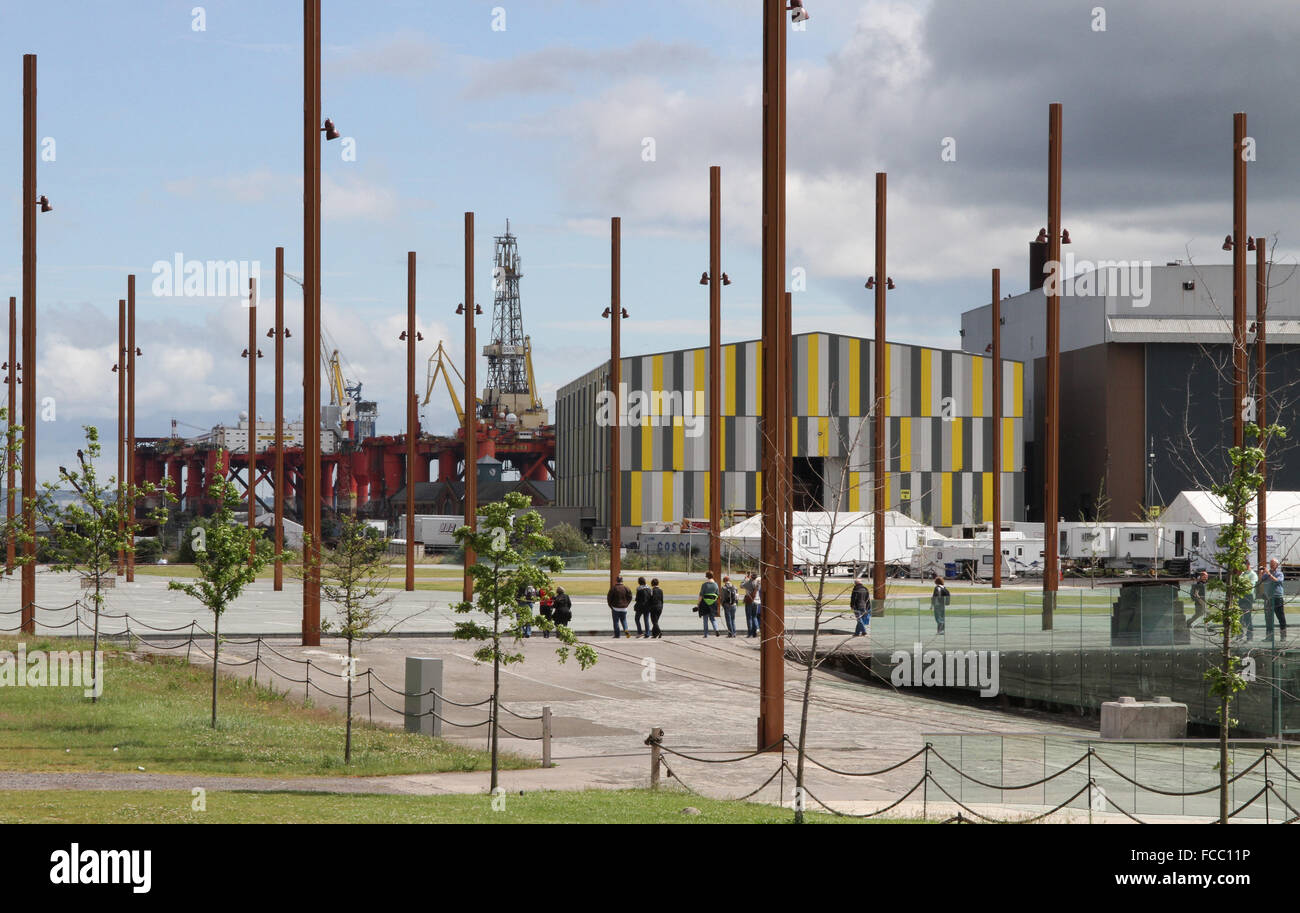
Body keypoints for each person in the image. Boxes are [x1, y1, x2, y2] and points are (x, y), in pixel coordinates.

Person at [1263, 558, 1287, 640]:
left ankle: (1283, 636)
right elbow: (1261, 580)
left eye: (1273, 563)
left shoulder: (1280, 573)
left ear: (1276, 565)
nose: (1271, 565)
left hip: (1277, 597)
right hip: (1268, 597)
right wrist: (1261, 573)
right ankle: (1269, 637)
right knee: (1268, 618)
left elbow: (1277, 581)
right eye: (1270, 563)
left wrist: (1269, 573)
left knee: (1280, 617)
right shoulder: (1267, 574)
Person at [698, 571, 721, 637]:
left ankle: (706, 634)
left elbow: (701, 595)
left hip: (705, 603)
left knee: (705, 619)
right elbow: (717, 594)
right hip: (713, 603)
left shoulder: (704, 584)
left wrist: (698, 603)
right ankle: (716, 629)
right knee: (712, 618)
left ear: (706, 576)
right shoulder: (716, 584)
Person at [1239, 564, 1258, 642]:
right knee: (1239, 617)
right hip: (1241, 596)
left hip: (1248, 597)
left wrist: (1242, 586)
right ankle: (1239, 635)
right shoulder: (1243, 574)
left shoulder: (1252, 574)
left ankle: (1249, 636)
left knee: (1247, 617)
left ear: (1248, 565)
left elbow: (1251, 586)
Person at [741, 571, 760, 638]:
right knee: (754, 616)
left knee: (749, 617)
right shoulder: (757, 583)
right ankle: (756, 631)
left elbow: (741, 586)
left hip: (749, 601)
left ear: (751, 577)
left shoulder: (749, 583)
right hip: (757, 601)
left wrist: (745, 579)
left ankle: (750, 633)